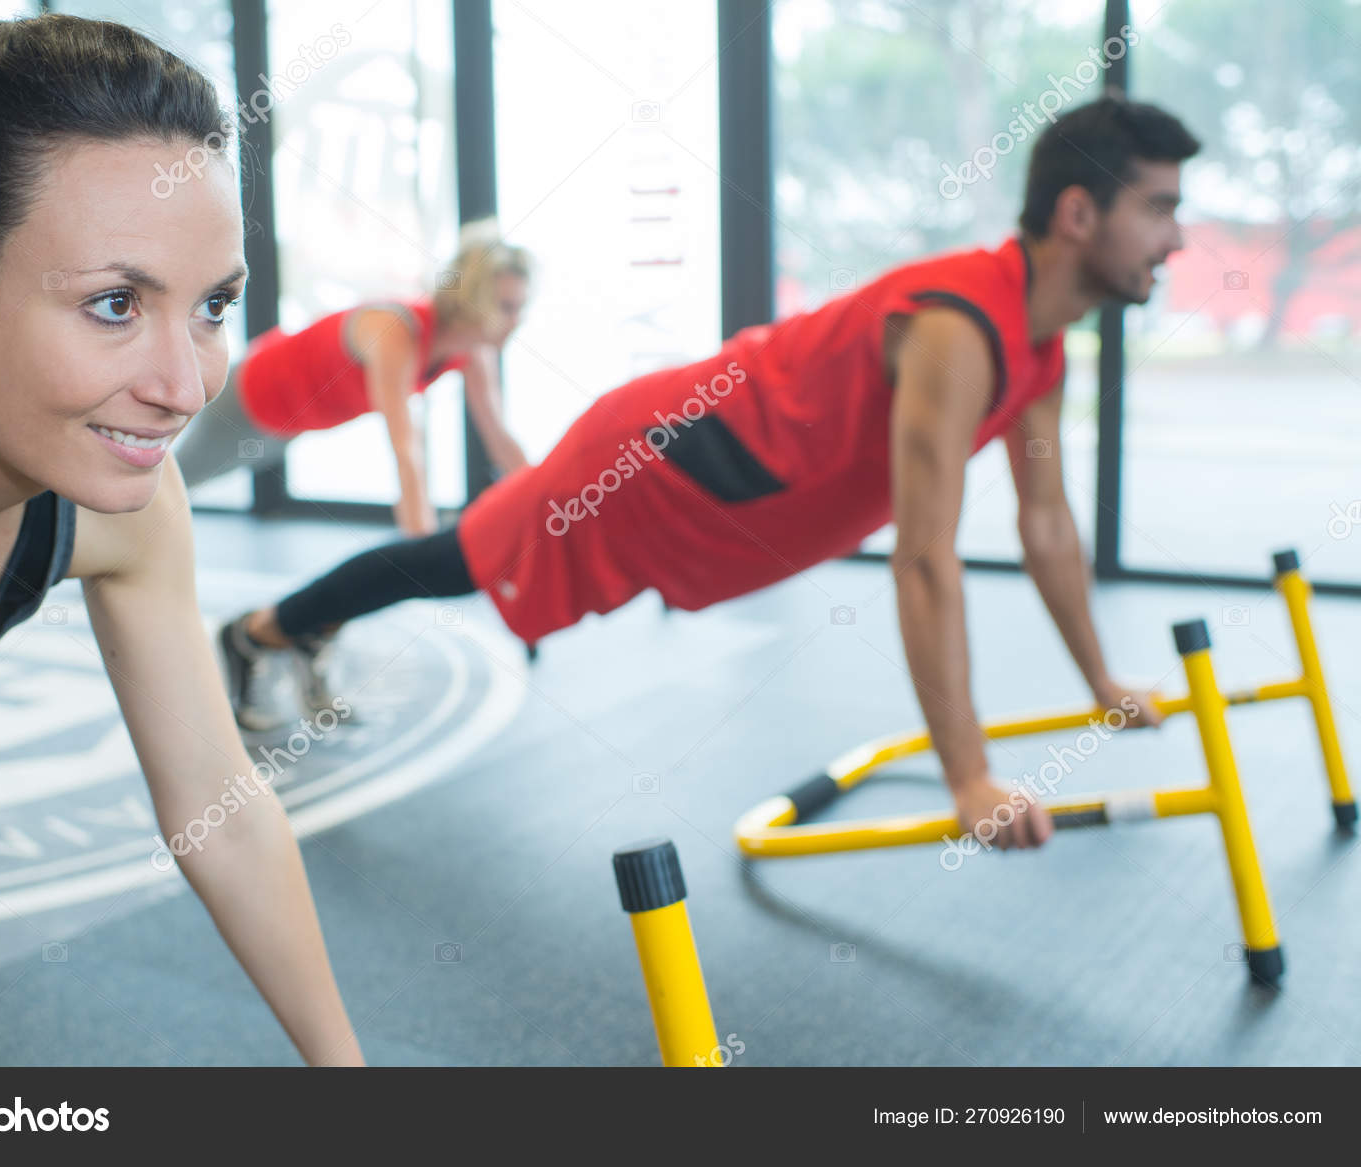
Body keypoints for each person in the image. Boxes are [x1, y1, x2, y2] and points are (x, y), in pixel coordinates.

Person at [219, 96, 1199, 852]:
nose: (1177, 239)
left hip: (710, 483)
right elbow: (925, 561)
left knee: (458, 558)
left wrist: (1103, 682)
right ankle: (260, 632)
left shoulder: (1037, 347)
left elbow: (1049, 527)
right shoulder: (960, 328)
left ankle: (299, 627)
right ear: (1077, 211)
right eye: (1159, 209)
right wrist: (969, 780)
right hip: (653, 462)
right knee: (460, 558)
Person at [0, 14, 362, 1065]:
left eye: (214, 304)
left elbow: (221, 816)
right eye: (115, 303)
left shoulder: (123, 515)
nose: (183, 388)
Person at [172, 220, 533, 537]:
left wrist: (546, 505)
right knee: (167, 490)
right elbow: (406, 446)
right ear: (473, 300)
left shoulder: (472, 352)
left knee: (170, 492)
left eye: (520, 307)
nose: (517, 320)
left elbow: (500, 439)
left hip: (288, 425)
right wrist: (421, 549)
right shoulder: (395, 331)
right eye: (507, 307)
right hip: (249, 398)